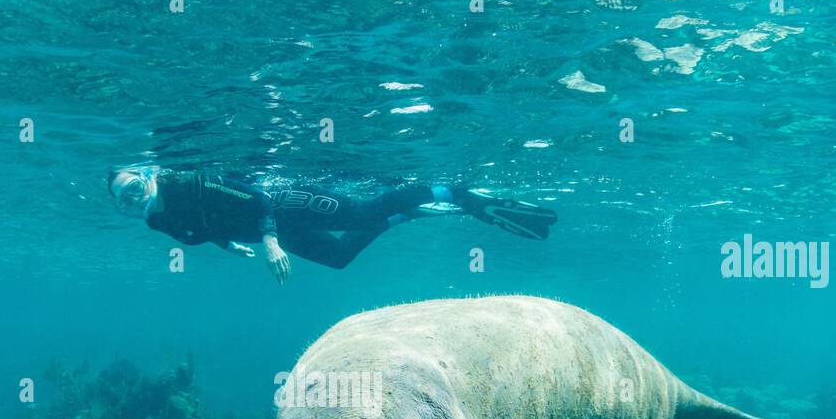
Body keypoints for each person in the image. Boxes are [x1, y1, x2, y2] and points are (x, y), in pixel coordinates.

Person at [107, 165, 557, 283]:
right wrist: (230, 246)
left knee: (362, 213)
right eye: (124, 198)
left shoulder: (188, 183)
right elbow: (202, 233)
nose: (132, 197)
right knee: (340, 258)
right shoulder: (156, 221)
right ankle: (408, 213)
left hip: (282, 206)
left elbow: (255, 195)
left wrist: (267, 241)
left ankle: (455, 193)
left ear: (145, 176)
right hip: (271, 233)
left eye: (133, 186)